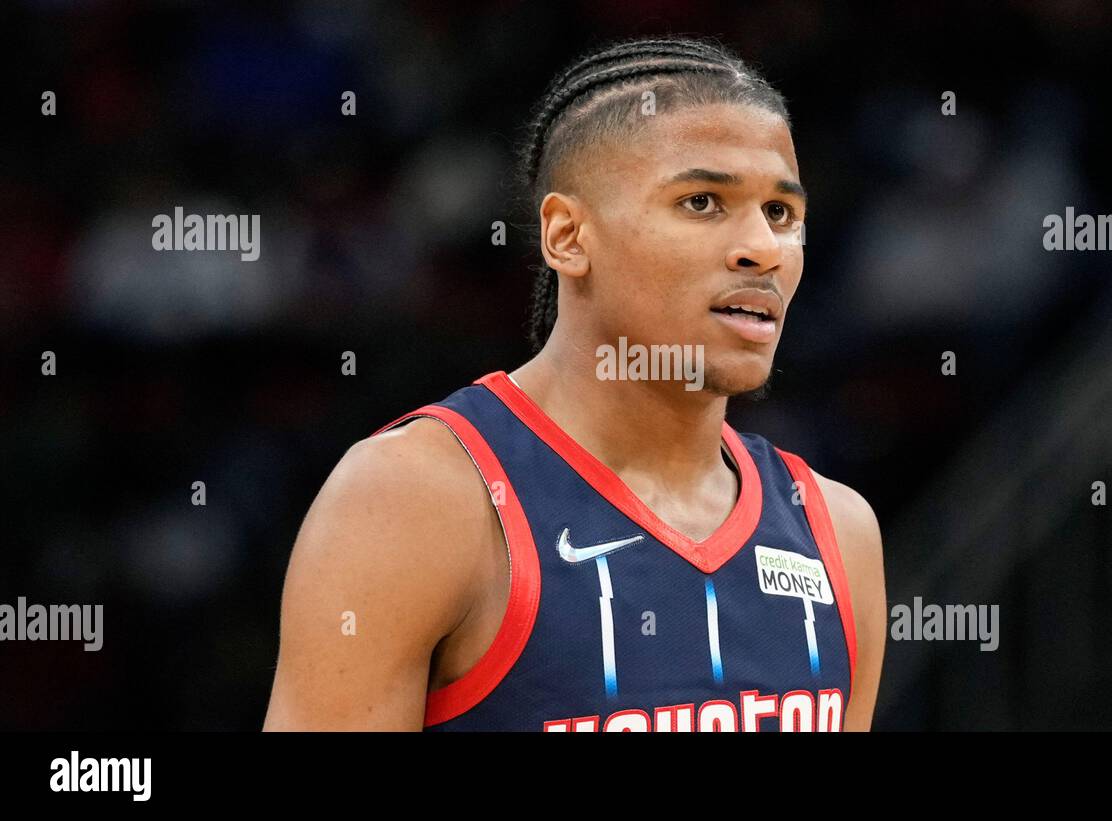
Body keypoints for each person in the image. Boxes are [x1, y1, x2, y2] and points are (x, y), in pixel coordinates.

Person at [264, 35, 886, 732]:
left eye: (782, 213)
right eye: (703, 201)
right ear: (566, 236)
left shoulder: (839, 531)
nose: (764, 248)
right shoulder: (417, 499)